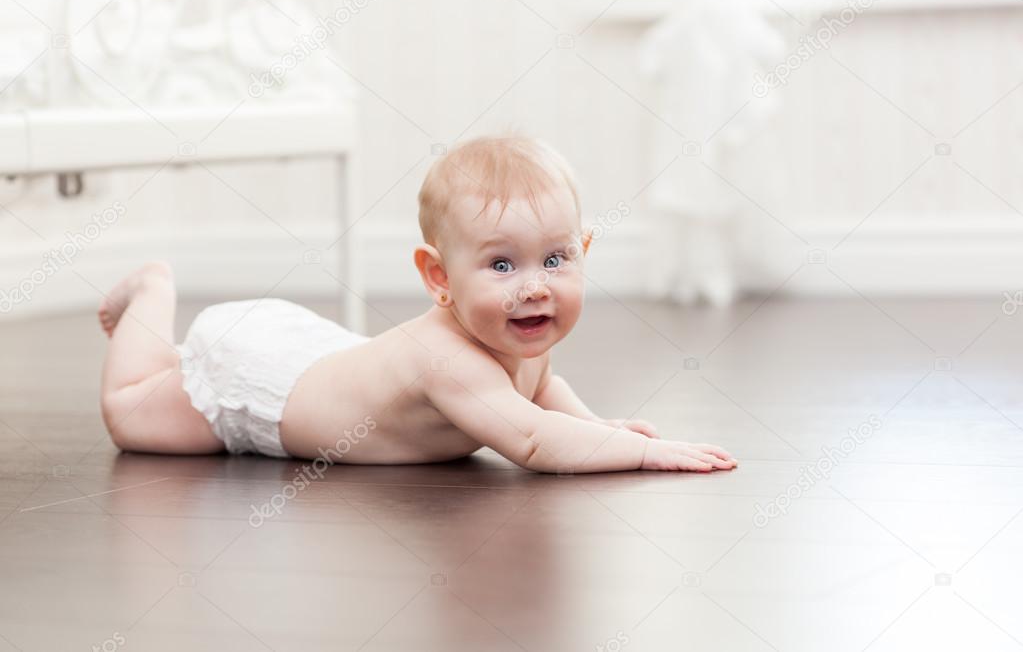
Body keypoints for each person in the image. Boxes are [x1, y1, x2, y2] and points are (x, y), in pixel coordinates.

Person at [98, 136, 737, 473]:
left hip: (327, 362)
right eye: (502, 264)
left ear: (583, 252)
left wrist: (599, 429)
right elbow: (536, 444)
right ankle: (153, 290)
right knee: (133, 411)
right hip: (262, 386)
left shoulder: (520, 338)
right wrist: (646, 452)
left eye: (556, 258)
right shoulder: (448, 360)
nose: (535, 285)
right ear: (439, 278)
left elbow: (544, 392)